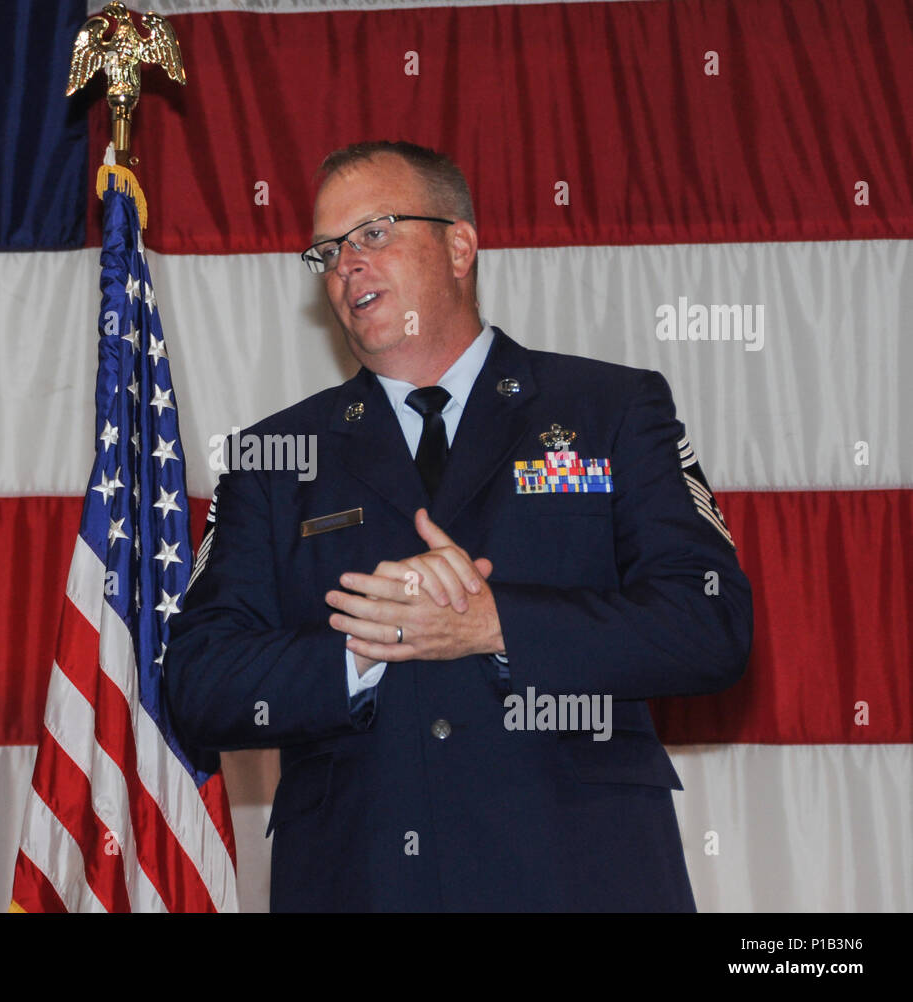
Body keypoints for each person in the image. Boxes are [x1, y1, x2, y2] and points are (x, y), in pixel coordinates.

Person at [164, 141, 752, 912]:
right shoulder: (272, 458)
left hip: (579, 875)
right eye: (329, 250)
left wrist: (496, 624)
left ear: (460, 244)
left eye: (374, 233)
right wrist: (365, 646)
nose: (347, 265)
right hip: (359, 881)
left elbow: (710, 622)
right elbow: (199, 682)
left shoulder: (611, 410)